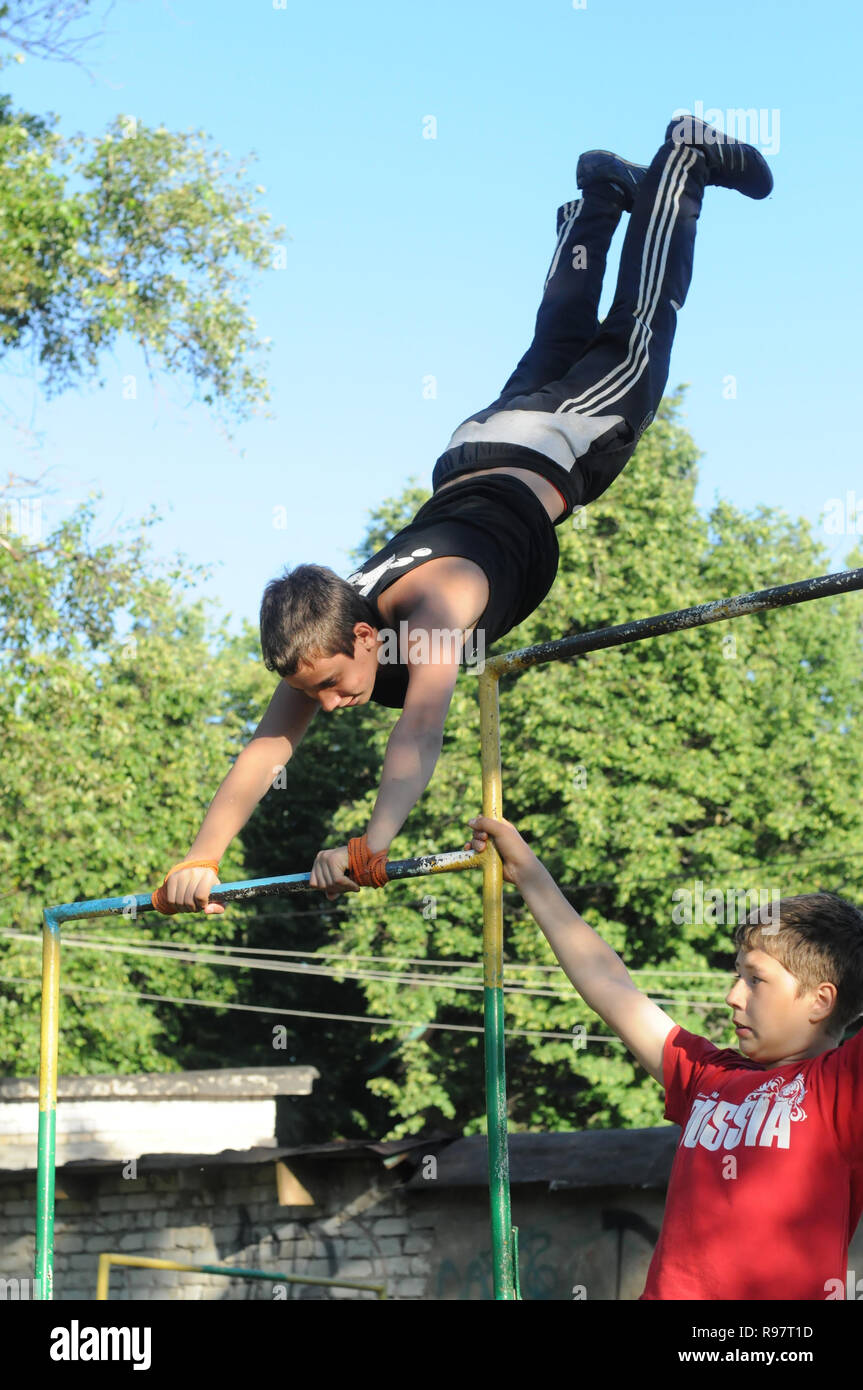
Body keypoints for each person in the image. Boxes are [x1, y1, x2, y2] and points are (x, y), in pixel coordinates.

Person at [151, 115, 773, 913]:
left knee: (639, 331)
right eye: (325, 694)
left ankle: (679, 163)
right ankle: (597, 197)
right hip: (479, 450)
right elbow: (265, 748)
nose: (334, 705)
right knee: (554, 342)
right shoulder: (325, 633)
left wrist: (369, 845)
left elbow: (419, 730)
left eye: (338, 686)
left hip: (547, 447)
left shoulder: (434, 604)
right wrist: (200, 857)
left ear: (368, 638)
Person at [464, 812, 863, 1300]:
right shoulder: (706, 1075)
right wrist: (527, 871)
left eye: (756, 979)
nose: (733, 996)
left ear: (821, 1000)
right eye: (736, 975)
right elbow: (610, 984)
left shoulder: (842, 1087)